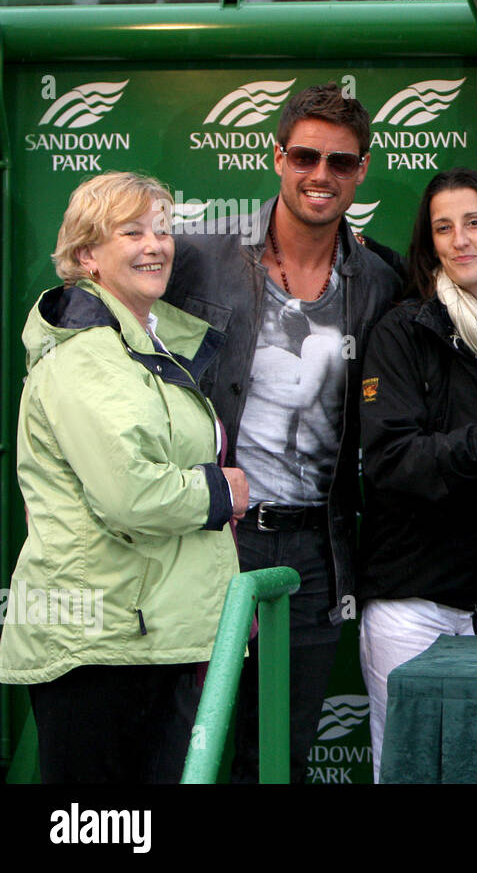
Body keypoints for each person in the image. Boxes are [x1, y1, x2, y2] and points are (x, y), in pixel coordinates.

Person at [164, 82, 401, 782]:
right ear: (277, 158)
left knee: (280, 755)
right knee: (190, 745)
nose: (319, 175)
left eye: (340, 162)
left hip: (315, 546)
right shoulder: (202, 255)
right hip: (208, 536)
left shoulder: (379, 280)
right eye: (305, 156)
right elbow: (103, 300)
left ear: (361, 171)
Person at [0, 172, 246, 782]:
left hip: (143, 632)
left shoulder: (140, 343)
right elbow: (131, 494)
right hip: (103, 640)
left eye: (163, 231)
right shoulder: (89, 354)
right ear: (87, 254)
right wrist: (222, 491)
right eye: (131, 232)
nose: (155, 245)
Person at [356, 168, 477, 780]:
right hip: (413, 602)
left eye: (475, 223)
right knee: (409, 765)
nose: (462, 240)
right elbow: (388, 460)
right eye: (444, 228)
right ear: (428, 243)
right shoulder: (403, 329)